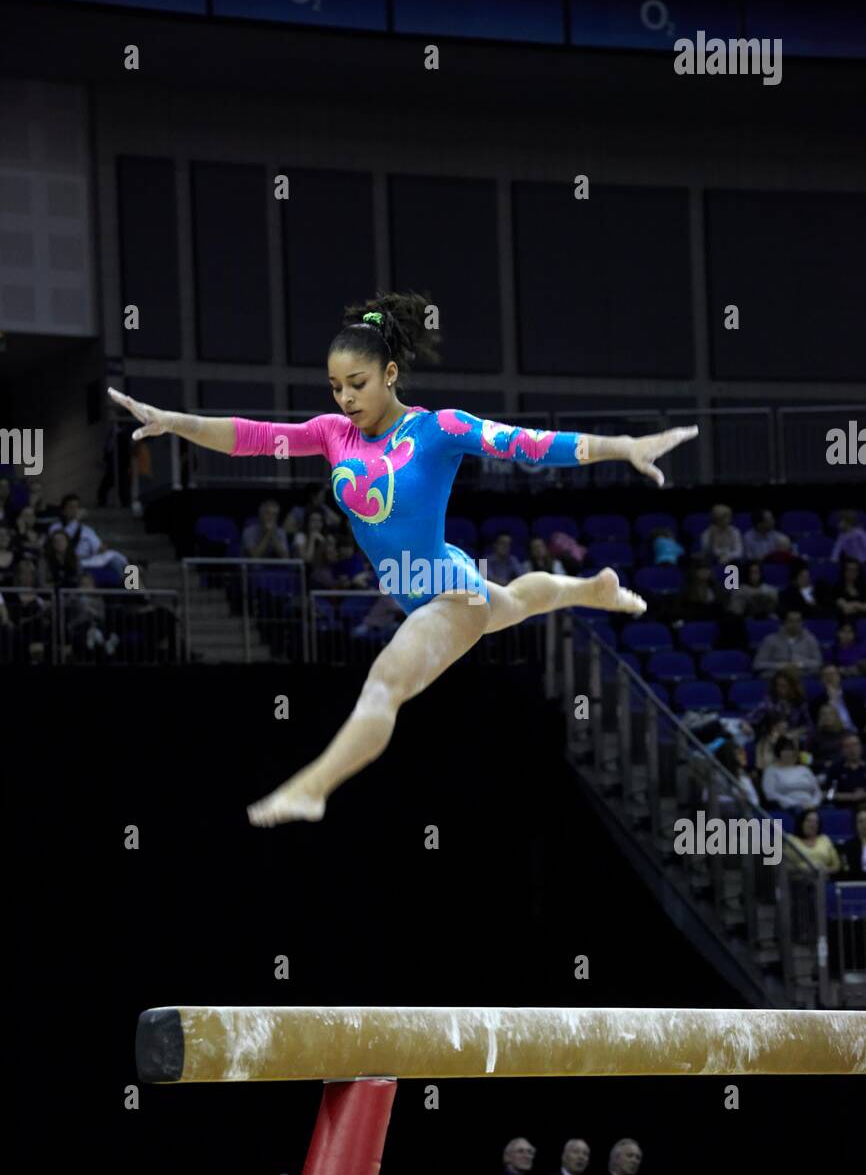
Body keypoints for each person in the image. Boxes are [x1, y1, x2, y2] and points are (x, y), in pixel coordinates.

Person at [109, 290, 696, 826]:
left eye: (357, 384)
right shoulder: (333, 434)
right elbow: (250, 436)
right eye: (336, 386)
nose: (345, 398)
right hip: (428, 582)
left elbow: (532, 445)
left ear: (390, 374)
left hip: (445, 590)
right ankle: (590, 588)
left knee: (385, 683)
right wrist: (174, 422)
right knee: (514, 601)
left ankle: (314, 787)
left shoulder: (440, 429)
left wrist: (625, 446)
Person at [47, 495, 129, 579]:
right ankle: (129, 583)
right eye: (71, 507)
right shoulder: (56, 527)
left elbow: (99, 547)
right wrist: (76, 520)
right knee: (116, 574)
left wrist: (101, 547)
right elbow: (65, 541)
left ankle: (135, 587)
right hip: (73, 563)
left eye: (77, 507)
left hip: (90, 560)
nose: (74, 510)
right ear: (63, 510)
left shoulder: (87, 530)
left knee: (117, 561)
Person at [753, 611, 823, 677]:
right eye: (791, 621)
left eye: (798, 621)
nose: (795, 624)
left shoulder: (811, 639)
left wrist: (799, 665)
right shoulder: (770, 640)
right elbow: (758, 664)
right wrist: (781, 666)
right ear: (784, 622)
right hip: (777, 675)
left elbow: (818, 662)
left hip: (803, 674)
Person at [761, 736, 823, 811]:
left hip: (811, 807)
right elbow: (770, 794)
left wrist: (814, 803)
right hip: (788, 809)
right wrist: (796, 804)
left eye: (791, 750)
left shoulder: (804, 769)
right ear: (778, 752)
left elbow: (817, 791)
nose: (788, 753)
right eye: (785, 750)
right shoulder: (771, 770)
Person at [787, 808, 842, 874]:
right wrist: (802, 870)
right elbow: (783, 866)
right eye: (809, 821)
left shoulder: (824, 839)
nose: (812, 825)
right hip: (796, 877)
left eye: (816, 822)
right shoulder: (790, 839)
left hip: (821, 877)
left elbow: (837, 866)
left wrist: (826, 870)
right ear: (801, 822)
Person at [824, 732, 866, 808]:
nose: (852, 749)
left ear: (861, 747)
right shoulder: (835, 769)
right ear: (842, 750)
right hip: (844, 808)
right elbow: (830, 794)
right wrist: (851, 796)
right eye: (847, 746)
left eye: (855, 745)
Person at [839, 804, 866, 880]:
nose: (864, 824)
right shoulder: (848, 846)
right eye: (861, 821)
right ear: (856, 825)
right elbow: (848, 871)